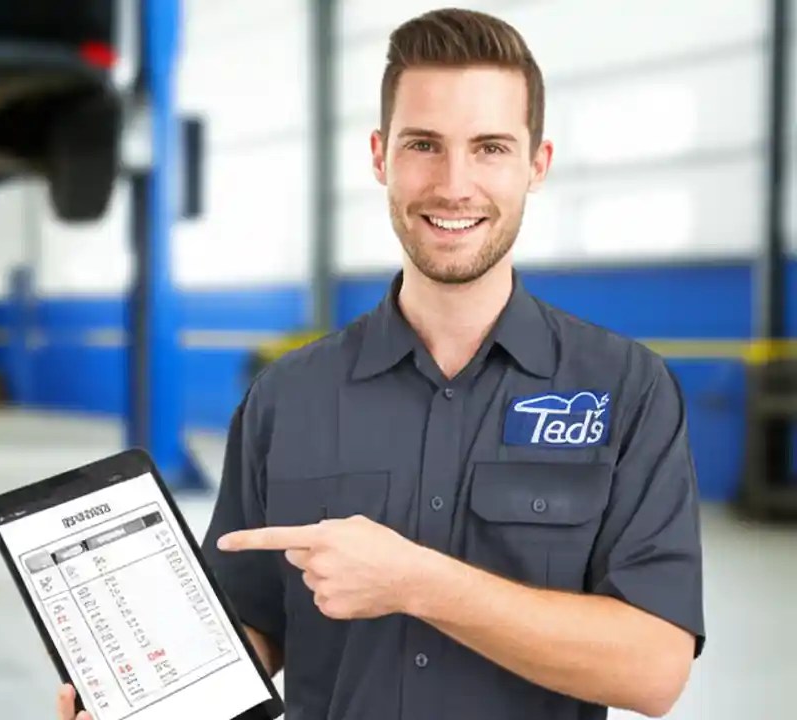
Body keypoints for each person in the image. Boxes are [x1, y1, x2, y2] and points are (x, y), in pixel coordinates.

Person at [57, 7, 705, 719]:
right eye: (424, 144)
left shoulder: (624, 389)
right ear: (379, 156)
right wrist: (149, 696)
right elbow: (254, 626)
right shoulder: (287, 397)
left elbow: (652, 669)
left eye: (489, 147)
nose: (454, 184)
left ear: (536, 165)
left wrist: (417, 583)